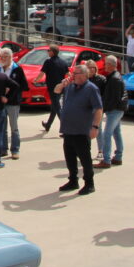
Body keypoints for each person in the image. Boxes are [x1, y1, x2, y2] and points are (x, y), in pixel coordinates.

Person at [57, 64, 103, 196]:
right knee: (69, 157)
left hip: (82, 130)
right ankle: (73, 180)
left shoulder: (91, 89)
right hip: (68, 129)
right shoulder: (70, 86)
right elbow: (56, 90)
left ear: (83, 75)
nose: (72, 76)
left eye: (75, 74)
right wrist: (62, 84)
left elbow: (99, 109)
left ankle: (89, 183)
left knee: (85, 159)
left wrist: (95, 127)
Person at [95, 55, 127, 168]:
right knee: (116, 132)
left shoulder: (114, 79)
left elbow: (114, 98)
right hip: (117, 109)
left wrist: (105, 108)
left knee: (106, 134)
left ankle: (107, 160)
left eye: (106, 64)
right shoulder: (114, 77)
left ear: (111, 65)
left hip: (114, 110)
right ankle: (118, 157)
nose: (104, 66)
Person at [0, 48, 28, 160]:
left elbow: (24, 86)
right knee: (2, 127)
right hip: (0, 102)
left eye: (4, 56)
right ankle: (3, 149)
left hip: (13, 103)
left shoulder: (17, 69)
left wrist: (10, 92)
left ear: (10, 57)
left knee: (14, 127)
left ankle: (15, 149)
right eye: (1, 56)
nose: (2, 59)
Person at [36, 45, 70, 132]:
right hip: (61, 87)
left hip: (53, 88)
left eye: (48, 50)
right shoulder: (63, 62)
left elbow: (41, 73)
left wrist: (36, 80)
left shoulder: (48, 62)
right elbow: (69, 74)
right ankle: (48, 125)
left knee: (57, 107)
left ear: (52, 52)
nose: (47, 52)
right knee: (54, 107)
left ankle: (66, 127)